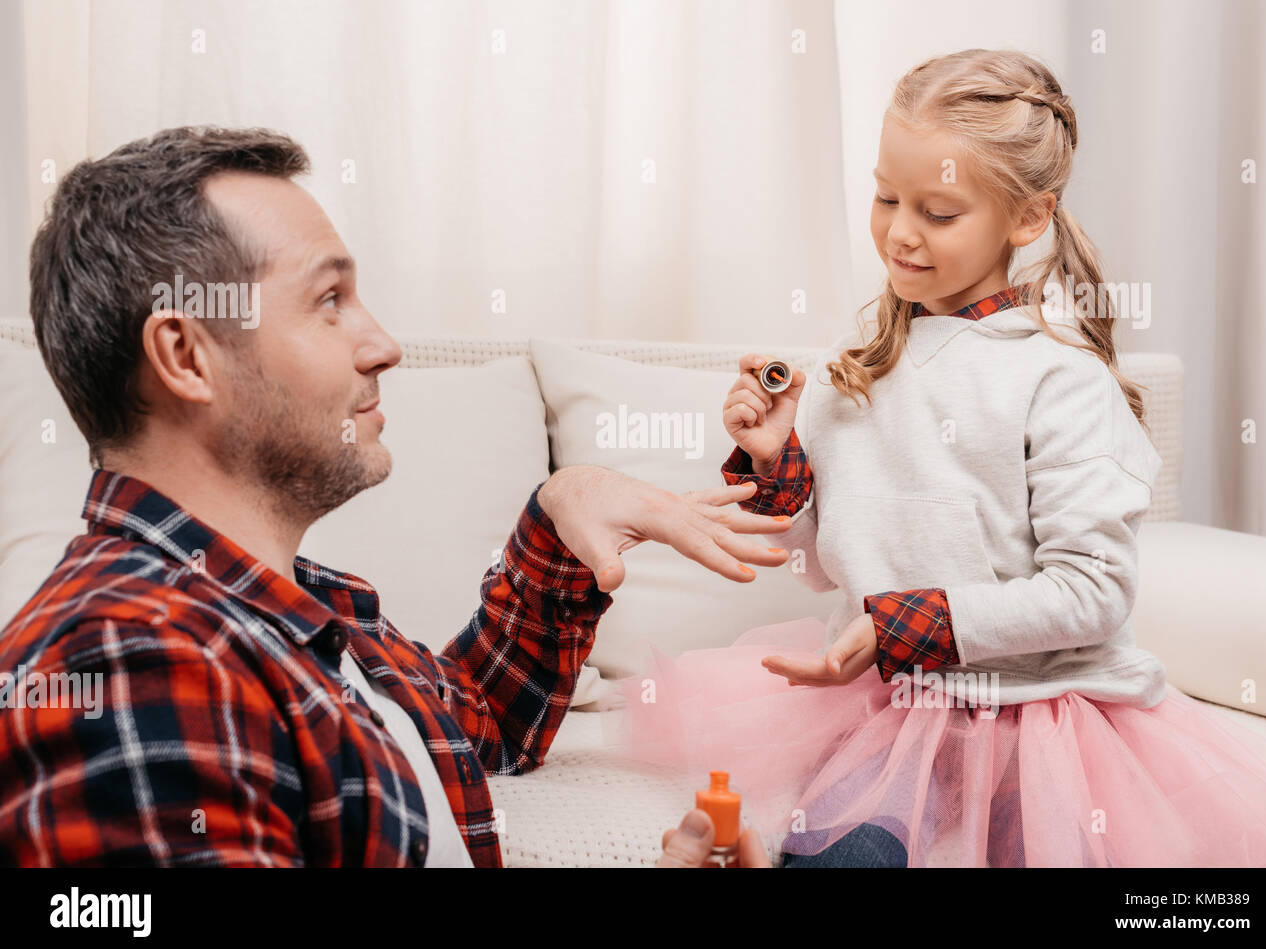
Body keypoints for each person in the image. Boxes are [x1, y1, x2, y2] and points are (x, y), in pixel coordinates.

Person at [0, 125, 794, 867]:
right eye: (328, 301)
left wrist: (559, 515)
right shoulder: (134, 669)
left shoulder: (286, 609)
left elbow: (465, 730)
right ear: (184, 354)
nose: (383, 345)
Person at [612, 48, 1266, 867]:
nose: (900, 232)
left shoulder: (1060, 378)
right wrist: (775, 464)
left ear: (1028, 217)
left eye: (938, 212)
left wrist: (903, 623)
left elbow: (1094, 592)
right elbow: (821, 567)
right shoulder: (858, 364)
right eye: (885, 197)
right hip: (893, 718)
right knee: (838, 856)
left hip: (1045, 720)